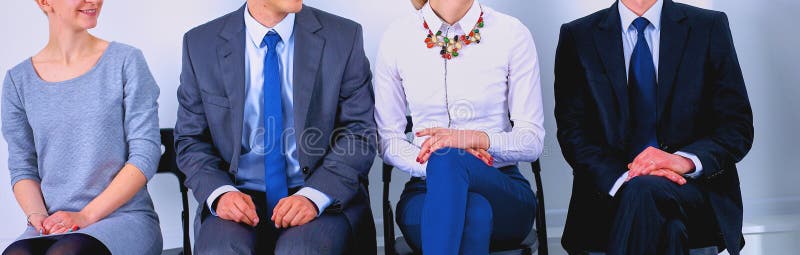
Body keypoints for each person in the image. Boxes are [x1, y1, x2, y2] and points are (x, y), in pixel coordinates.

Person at [174, 0, 377, 253]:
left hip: (320, 195)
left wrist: (314, 197)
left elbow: (359, 133)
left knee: (301, 251)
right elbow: (190, 140)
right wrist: (221, 192)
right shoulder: (199, 44)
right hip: (238, 194)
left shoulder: (344, 37)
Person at [554, 0, 753, 254]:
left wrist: (683, 161)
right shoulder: (578, 36)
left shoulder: (708, 27)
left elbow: (737, 127)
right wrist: (629, 177)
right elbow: (574, 135)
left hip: (693, 189)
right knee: (667, 227)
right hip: (612, 189)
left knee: (645, 195)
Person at [374, 0, 544, 253]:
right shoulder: (397, 37)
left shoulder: (512, 33)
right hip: (425, 190)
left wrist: (472, 139)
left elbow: (532, 141)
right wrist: (443, 156)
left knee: (451, 159)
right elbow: (387, 139)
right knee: (471, 206)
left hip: (502, 188)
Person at [1, 0, 163, 255]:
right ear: (44, 2)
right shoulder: (17, 81)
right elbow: (23, 167)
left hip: (123, 218)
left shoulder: (126, 61)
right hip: (55, 222)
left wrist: (86, 215)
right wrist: (39, 218)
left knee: (68, 253)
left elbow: (145, 154)